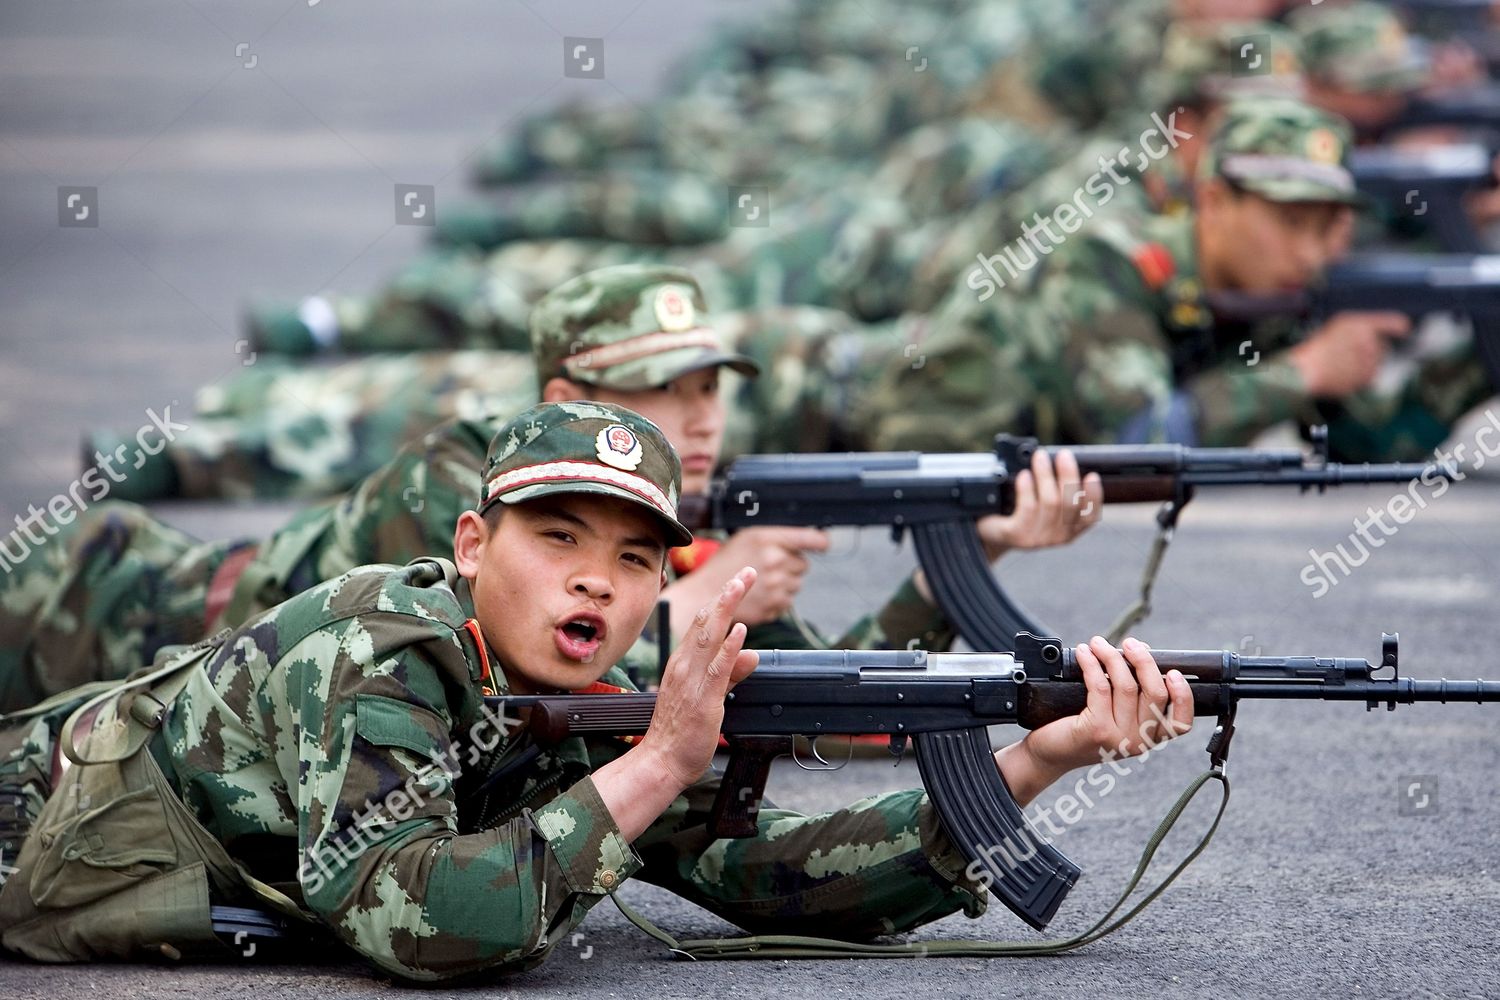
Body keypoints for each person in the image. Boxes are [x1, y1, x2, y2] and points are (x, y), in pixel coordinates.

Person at [0, 400, 1194, 980]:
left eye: (635, 557)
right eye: (557, 537)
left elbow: (769, 874)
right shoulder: (377, 645)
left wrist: (1041, 757)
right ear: (471, 545)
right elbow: (412, 919)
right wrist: (662, 764)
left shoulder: (591, 694)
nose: (597, 580)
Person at [0, 265, 1098, 711]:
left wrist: (982, 550)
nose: (704, 417)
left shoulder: (667, 516)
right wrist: (688, 606)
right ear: (569, 391)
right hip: (101, 608)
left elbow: (821, 702)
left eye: (712, 385)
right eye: (664, 392)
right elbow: (532, 672)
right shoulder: (465, 478)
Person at [863, 97, 1491, 461]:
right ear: (1214, 201)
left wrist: (1481, 361)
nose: (1311, 250)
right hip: (830, 399)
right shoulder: (1107, 258)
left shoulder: (1265, 296)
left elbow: (1362, 447)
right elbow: (1141, 440)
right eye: (1292, 220)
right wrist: (1302, 371)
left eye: (1330, 226)